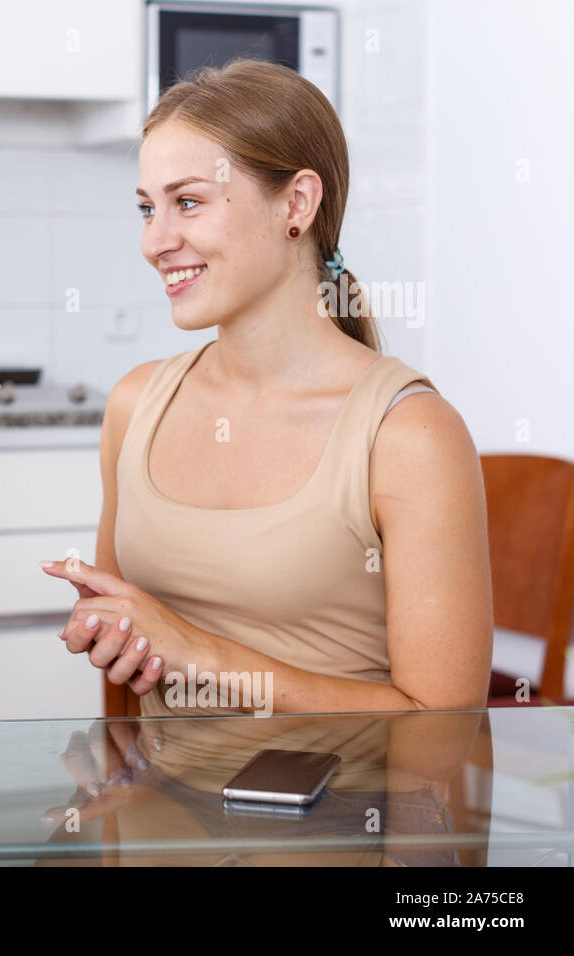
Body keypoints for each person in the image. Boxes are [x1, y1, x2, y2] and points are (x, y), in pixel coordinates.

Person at [41, 59, 493, 717]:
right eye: (147, 209)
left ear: (297, 204)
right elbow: (123, 666)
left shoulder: (408, 436)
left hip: (335, 816)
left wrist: (200, 652)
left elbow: (442, 725)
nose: (155, 241)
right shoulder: (136, 405)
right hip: (156, 809)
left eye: (187, 202)